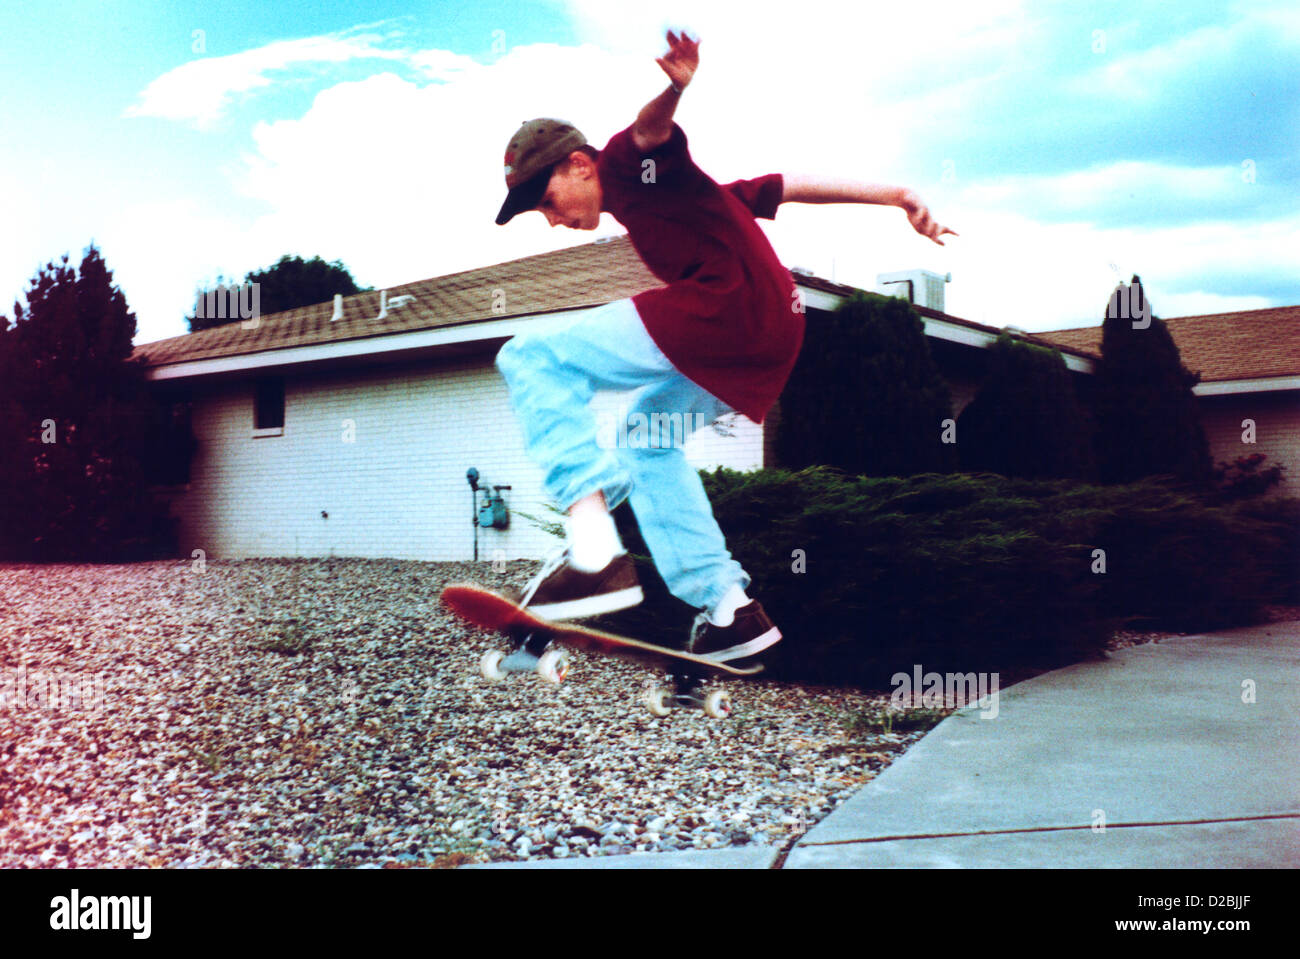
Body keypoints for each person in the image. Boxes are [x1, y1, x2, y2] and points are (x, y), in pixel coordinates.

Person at [493, 32, 955, 664]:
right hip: (766, 339)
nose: (551, 220)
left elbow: (647, 132)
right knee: (646, 437)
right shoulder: (692, 197)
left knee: (530, 356)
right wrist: (897, 195)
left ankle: (594, 547)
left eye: (547, 202)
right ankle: (730, 610)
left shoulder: (627, 168)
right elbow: (785, 185)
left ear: (578, 164)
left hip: (729, 313)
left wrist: (674, 87)